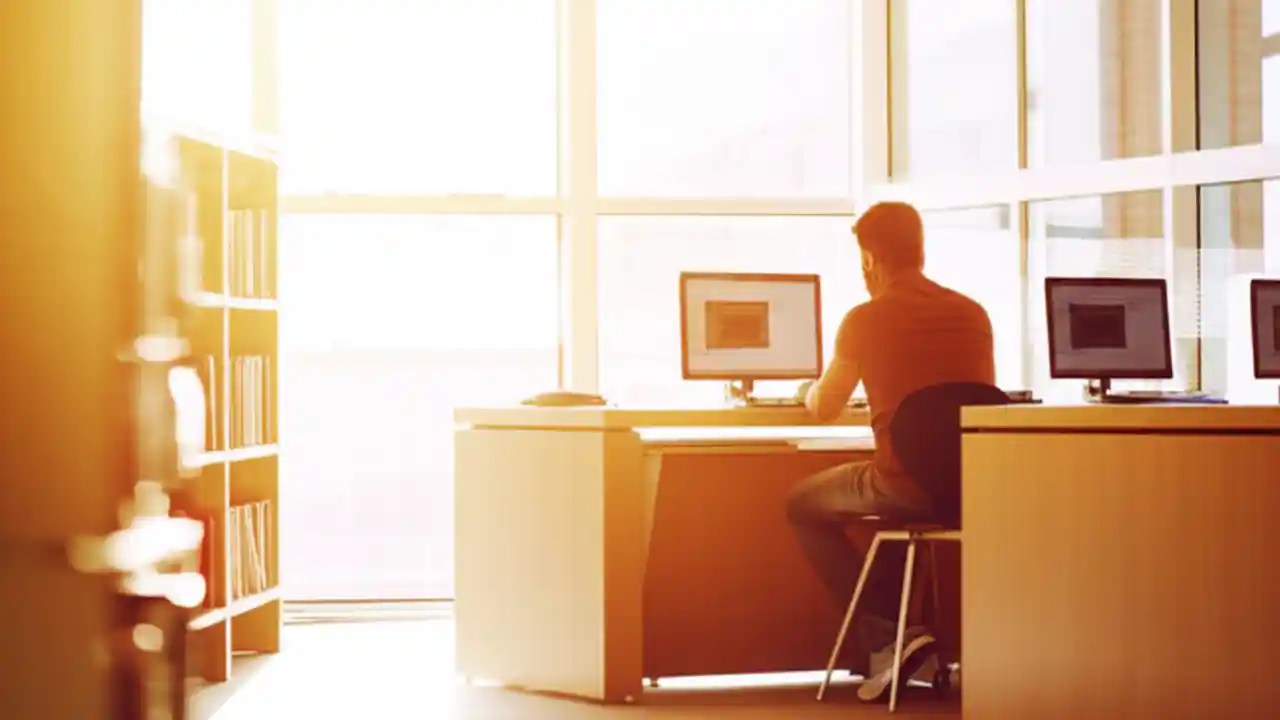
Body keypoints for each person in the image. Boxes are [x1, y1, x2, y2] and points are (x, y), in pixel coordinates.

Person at [786, 201, 995, 702]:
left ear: (868, 260)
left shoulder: (864, 319)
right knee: (898, 517)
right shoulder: (972, 312)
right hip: (974, 483)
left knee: (801, 504)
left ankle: (888, 635)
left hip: (905, 484)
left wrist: (804, 390)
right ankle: (904, 638)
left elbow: (825, 407)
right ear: (921, 250)